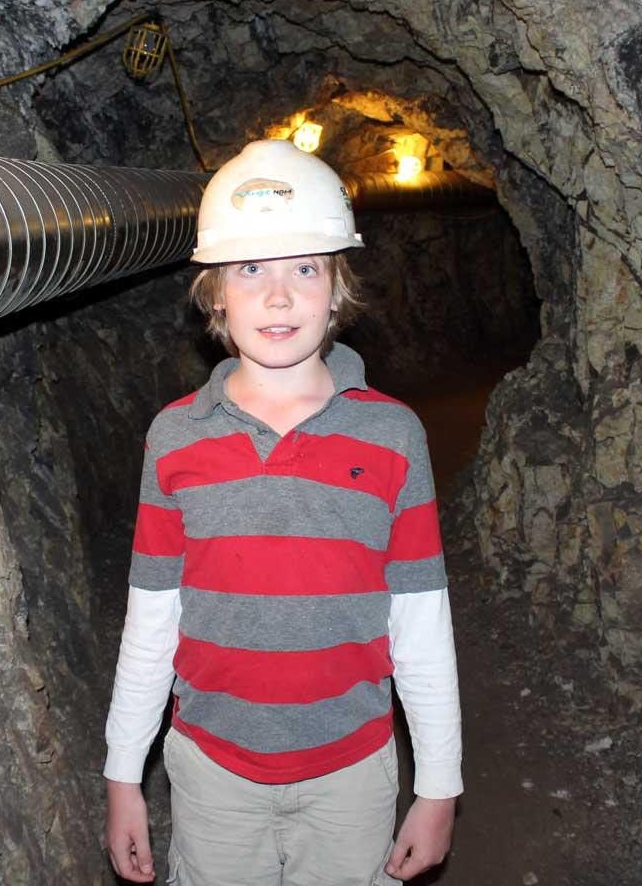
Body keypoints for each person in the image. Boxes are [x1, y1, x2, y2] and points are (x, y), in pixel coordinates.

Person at [103, 138, 463, 885]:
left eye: (305, 268)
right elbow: (153, 617)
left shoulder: (393, 435)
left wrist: (438, 788)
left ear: (337, 289)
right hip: (211, 772)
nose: (278, 296)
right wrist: (123, 776)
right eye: (250, 269)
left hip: (352, 773)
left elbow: (421, 621)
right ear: (215, 294)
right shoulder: (175, 438)